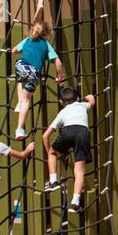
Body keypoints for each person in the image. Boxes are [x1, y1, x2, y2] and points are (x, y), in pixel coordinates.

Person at [42, 84, 96, 215]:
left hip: (67, 131)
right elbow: (92, 102)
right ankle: (74, 203)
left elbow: (45, 135)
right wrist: (89, 97)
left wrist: (50, 151)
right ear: (77, 98)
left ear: (61, 102)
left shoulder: (62, 112)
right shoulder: (82, 105)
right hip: (83, 133)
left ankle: (53, 181)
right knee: (79, 171)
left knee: (52, 153)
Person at [12, 21, 66, 139]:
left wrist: (24, 50)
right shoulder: (46, 45)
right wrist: (60, 77)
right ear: (46, 35)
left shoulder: (27, 40)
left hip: (20, 66)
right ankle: (19, 129)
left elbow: (13, 51)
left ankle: (20, 101)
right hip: (33, 72)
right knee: (27, 100)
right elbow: (58, 62)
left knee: (20, 79)